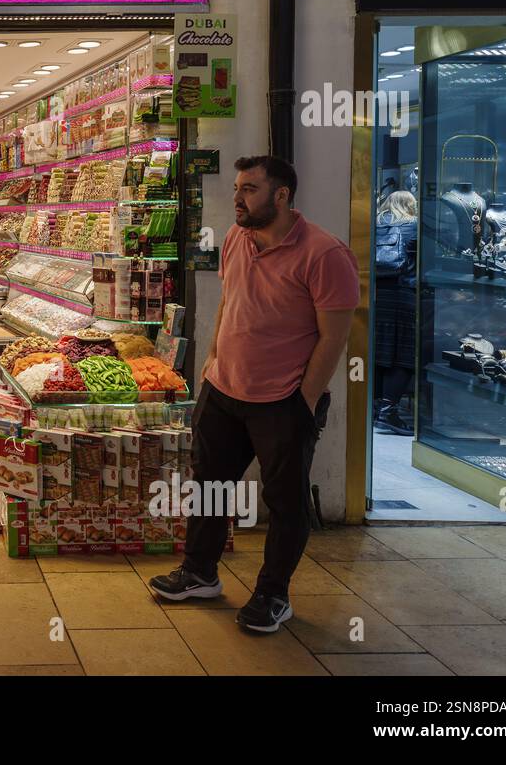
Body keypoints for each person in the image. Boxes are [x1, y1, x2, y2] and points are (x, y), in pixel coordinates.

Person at [149, 155, 358, 634]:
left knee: (285, 502)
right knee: (208, 485)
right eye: (238, 188)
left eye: (249, 189)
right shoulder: (236, 239)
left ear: (281, 195)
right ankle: (199, 572)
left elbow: (334, 337)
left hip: (282, 400)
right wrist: (213, 360)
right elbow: (229, 300)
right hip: (223, 389)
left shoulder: (325, 255)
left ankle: (272, 594)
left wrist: (304, 400)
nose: (237, 198)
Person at [372, 190, 417, 434]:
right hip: (403, 296)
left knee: (380, 353)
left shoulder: (375, 224)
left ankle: (377, 407)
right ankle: (389, 411)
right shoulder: (414, 227)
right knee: (403, 355)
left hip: (377, 296)